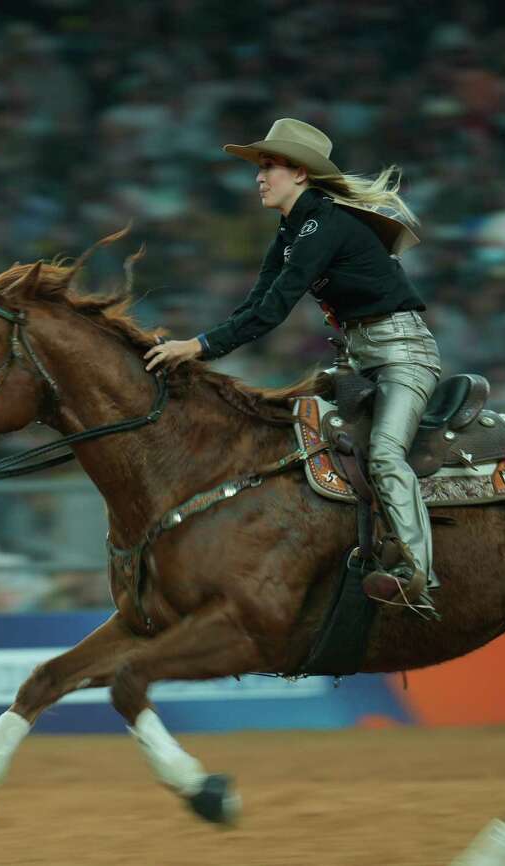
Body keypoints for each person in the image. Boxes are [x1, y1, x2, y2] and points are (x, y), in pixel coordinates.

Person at [144, 118, 441, 614]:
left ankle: (417, 574)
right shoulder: (294, 230)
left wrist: (196, 347)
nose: (259, 177)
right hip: (360, 359)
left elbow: (270, 312)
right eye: (259, 168)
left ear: (300, 173)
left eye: (270, 167)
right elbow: (254, 305)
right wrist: (199, 344)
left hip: (402, 356)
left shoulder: (323, 225)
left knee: (385, 457)